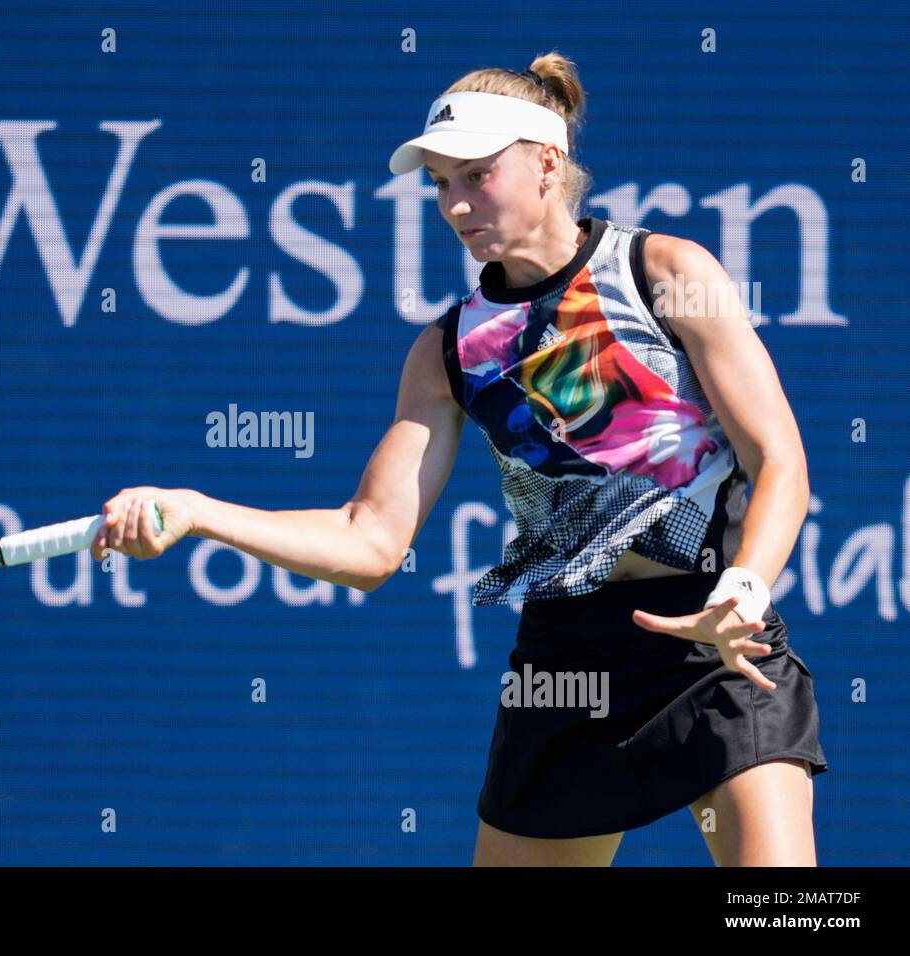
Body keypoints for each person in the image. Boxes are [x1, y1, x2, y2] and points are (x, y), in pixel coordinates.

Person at [89, 50, 827, 867]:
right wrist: (197, 511)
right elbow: (369, 542)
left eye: (477, 175)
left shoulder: (666, 273)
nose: (456, 204)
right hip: (566, 670)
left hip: (717, 644)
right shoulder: (447, 352)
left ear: (548, 163)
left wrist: (746, 589)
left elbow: (780, 461)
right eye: (441, 183)